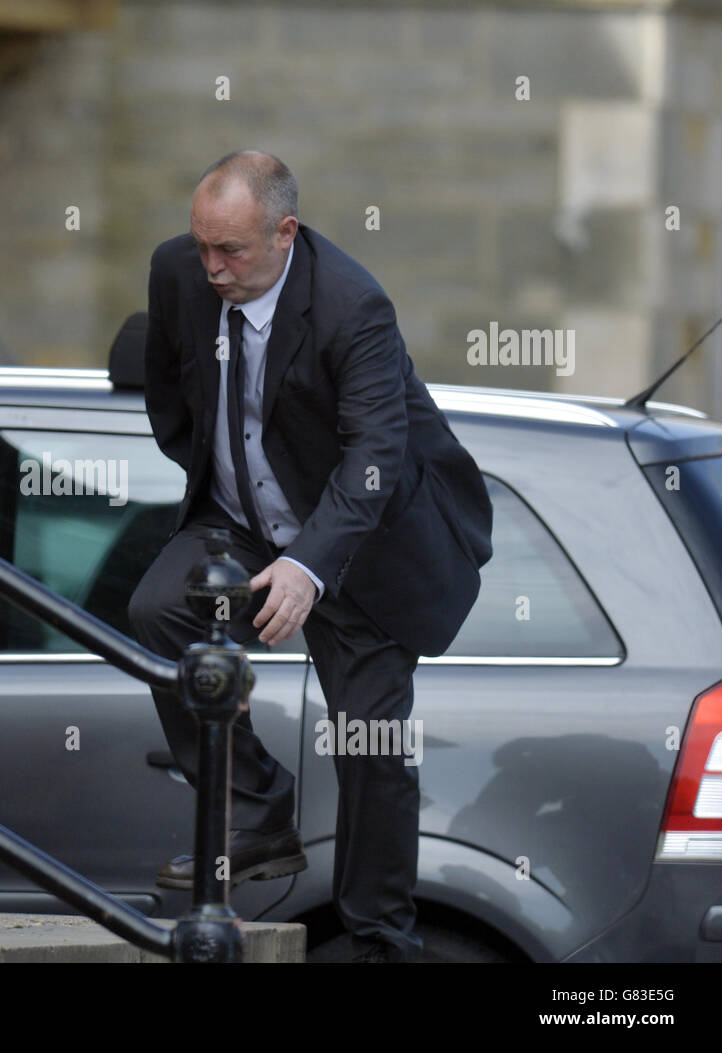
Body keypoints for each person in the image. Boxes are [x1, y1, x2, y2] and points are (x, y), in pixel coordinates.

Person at [128, 151, 493, 962]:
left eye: (233, 251)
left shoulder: (352, 306)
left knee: (370, 742)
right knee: (156, 610)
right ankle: (253, 811)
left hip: (359, 547)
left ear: (285, 232)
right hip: (243, 519)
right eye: (203, 247)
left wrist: (309, 562)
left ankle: (377, 937)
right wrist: (225, 487)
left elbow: (375, 454)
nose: (213, 268)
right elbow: (168, 393)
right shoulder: (178, 273)